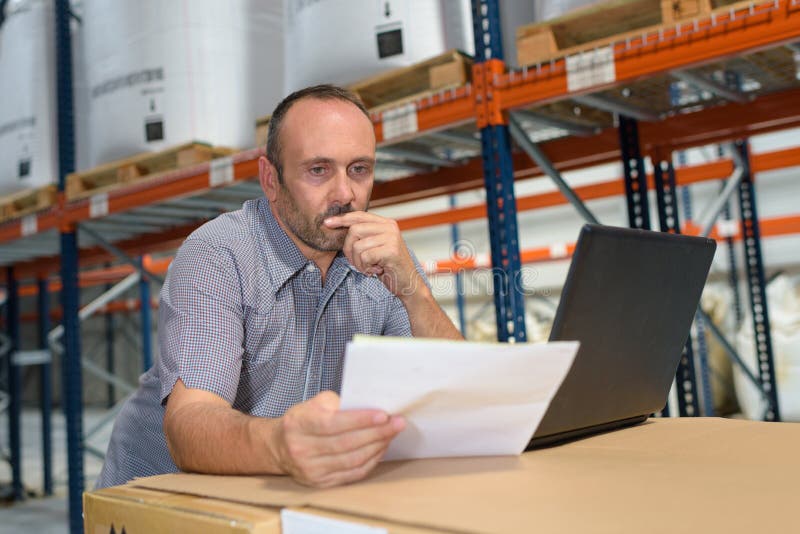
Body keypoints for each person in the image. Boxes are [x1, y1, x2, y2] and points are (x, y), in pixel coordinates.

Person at [96, 85, 463, 490]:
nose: (345, 195)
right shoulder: (218, 255)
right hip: (160, 498)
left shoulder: (384, 257)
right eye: (318, 170)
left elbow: (460, 396)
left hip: (280, 488)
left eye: (359, 169)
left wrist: (416, 293)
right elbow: (189, 424)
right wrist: (281, 444)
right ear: (270, 179)